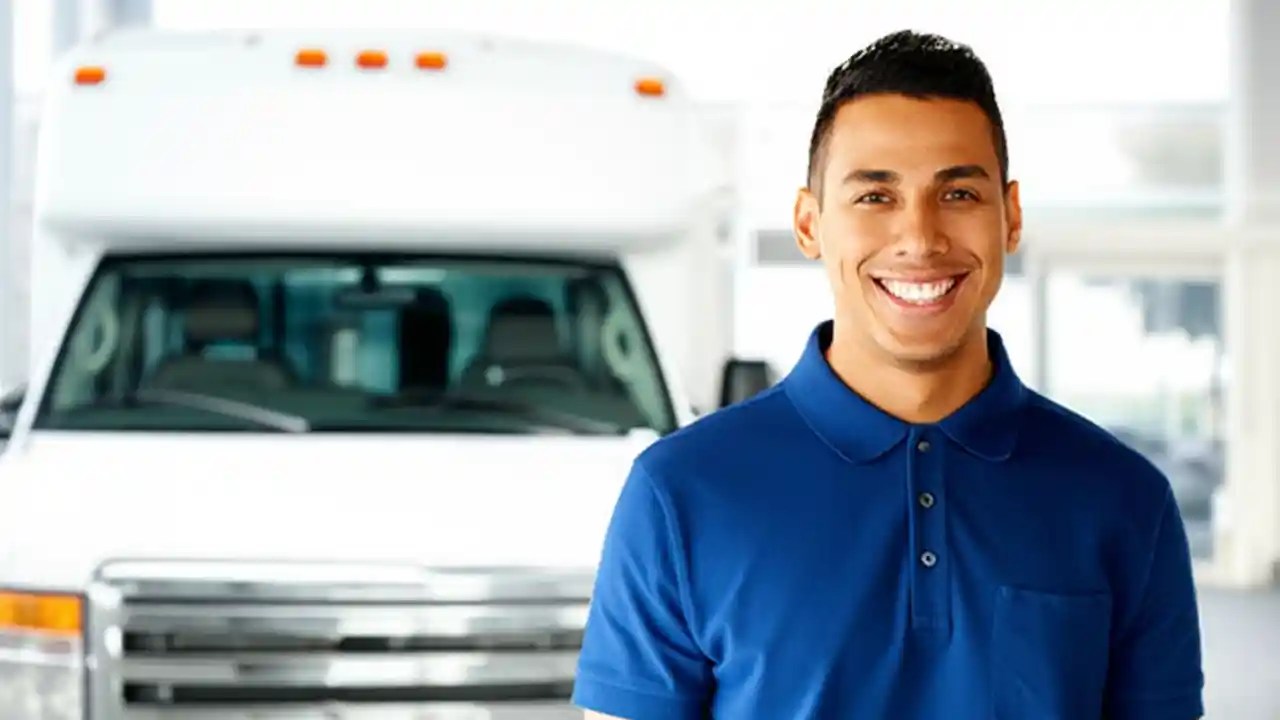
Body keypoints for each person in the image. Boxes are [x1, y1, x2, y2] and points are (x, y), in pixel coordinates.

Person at [570, 29, 1205, 720]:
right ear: (810, 224)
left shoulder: (1124, 499)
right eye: (876, 197)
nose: (920, 239)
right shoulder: (680, 493)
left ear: (1010, 216)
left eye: (958, 193)